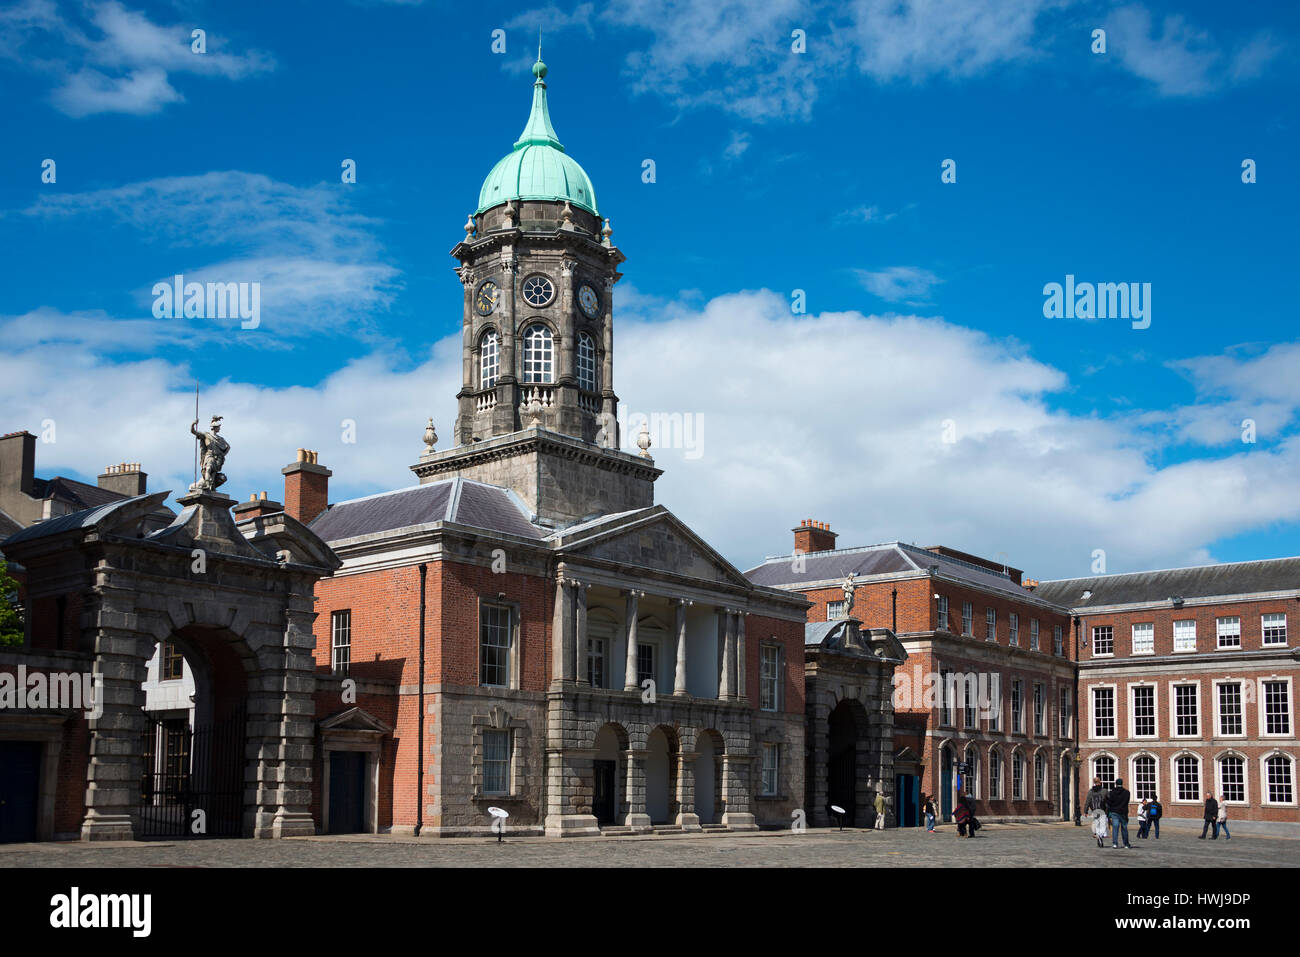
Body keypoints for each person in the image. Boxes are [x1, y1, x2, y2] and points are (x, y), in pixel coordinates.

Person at [1084, 776, 1109, 848]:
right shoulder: (1104, 790)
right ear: (1100, 782)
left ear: (1094, 782)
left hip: (1095, 810)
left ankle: (1098, 836)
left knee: (1097, 824)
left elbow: (1088, 801)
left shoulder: (1091, 791)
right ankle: (1100, 836)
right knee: (1103, 824)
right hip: (1103, 810)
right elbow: (1109, 800)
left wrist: (1085, 811)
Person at [1107, 777, 1132, 849]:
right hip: (1123, 812)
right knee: (1124, 828)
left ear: (1116, 784)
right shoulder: (1127, 793)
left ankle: (1115, 843)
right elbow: (1126, 802)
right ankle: (1126, 844)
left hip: (1114, 811)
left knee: (1115, 828)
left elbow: (1109, 802)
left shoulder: (1112, 792)